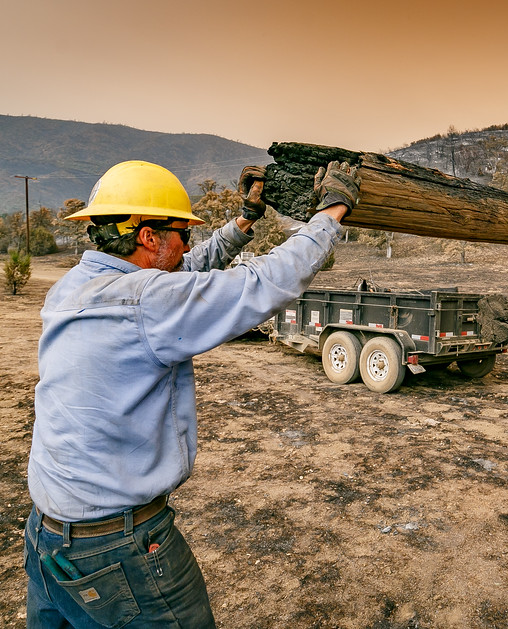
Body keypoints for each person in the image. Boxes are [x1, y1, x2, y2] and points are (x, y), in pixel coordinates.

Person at [23, 159, 360, 628]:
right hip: (119, 548)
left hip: (47, 538)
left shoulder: (73, 288)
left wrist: (244, 221)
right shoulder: (145, 302)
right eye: (182, 232)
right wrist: (331, 213)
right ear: (147, 237)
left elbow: (181, 273)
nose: (187, 244)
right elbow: (261, 283)